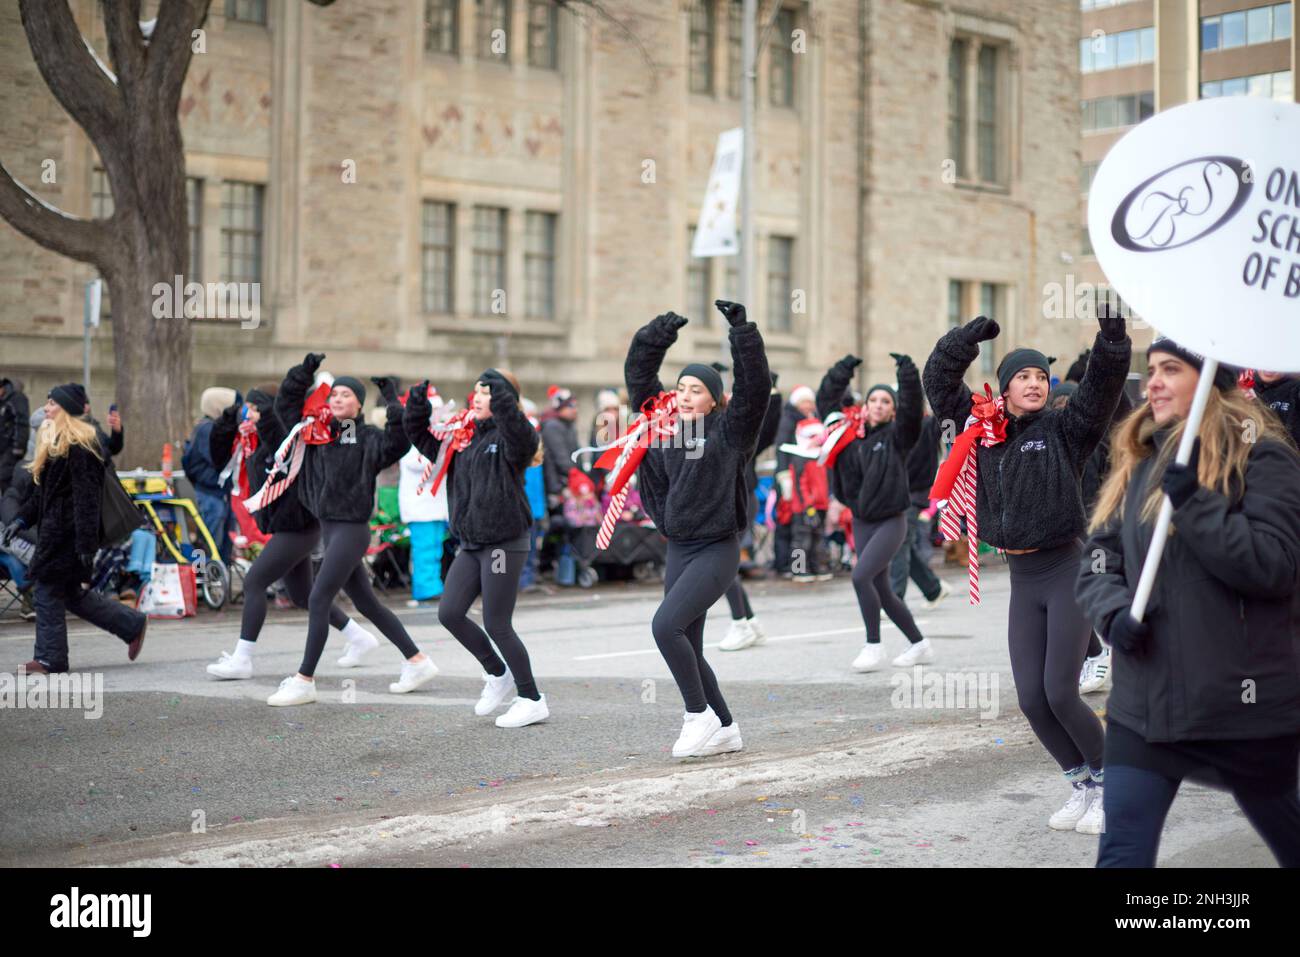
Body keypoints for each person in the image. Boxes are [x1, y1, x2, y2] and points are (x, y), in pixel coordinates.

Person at [1077, 338, 1300, 867]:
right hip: (1143, 707)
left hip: (1238, 705)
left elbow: (1273, 566)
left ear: (1210, 383)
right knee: (1123, 853)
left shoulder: (1264, 456)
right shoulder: (1144, 460)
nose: (1151, 382)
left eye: (1169, 369)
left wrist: (1195, 504)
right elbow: (1099, 560)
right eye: (1150, 369)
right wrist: (1112, 611)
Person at [923, 310, 1130, 834]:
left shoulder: (1065, 430)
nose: (1034, 383)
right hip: (1022, 580)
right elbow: (939, 383)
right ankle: (1083, 787)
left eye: (1040, 376)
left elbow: (1101, 395)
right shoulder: (983, 433)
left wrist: (1111, 341)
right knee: (1032, 701)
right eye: (1023, 376)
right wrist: (966, 340)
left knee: (1061, 692)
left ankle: (1114, 788)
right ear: (1006, 388)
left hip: (1065, 568)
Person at [623, 300, 769, 758]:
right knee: (691, 642)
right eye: (681, 388)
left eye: (696, 390)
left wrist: (742, 332)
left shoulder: (730, 431)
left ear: (713, 399)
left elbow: (756, 389)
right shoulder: (663, 428)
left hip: (717, 549)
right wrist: (657, 336)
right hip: (679, 548)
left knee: (666, 627)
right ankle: (725, 727)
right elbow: (638, 379)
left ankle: (696, 715)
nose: (685, 395)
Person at [265, 356, 436, 706]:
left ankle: (304, 680)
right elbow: (283, 408)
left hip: (352, 530)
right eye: (334, 395)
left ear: (359, 402)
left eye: (346, 394)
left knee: (317, 598)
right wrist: (302, 374)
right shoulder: (315, 434)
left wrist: (391, 400)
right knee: (366, 603)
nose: (338, 399)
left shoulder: (363, 437)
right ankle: (418, 661)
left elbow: (397, 443)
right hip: (331, 529)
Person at [203, 385, 379, 680]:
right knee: (303, 595)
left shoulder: (285, 437)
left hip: (299, 526)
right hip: (289, 527)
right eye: (249, 409)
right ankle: (358, 636)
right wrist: (229, 418)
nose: (251, 414)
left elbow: (276, 434)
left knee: (255, 582)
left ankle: (243, 659)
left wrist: (268, 413)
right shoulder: (255, 439)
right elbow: (218, 455)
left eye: (256, 409)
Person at [405, 368, 549, 728]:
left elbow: (521, 433)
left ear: (503, 399)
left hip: (503, 543)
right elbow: (422, 439)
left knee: (497, 623)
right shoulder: (463, 437)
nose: (478, 397)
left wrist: (500, 392)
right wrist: (417, 406)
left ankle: (532, 698)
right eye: (477, 392)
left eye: (487, 392)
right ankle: (497, 674)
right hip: (471, 542)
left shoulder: (513, 436)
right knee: (449, 613)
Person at [3, 384, 146, 674]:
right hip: (54, 533)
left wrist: (85, 548)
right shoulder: (57, 443)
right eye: (48, 401)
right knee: (69, 595)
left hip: (67, 536)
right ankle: (131, 624)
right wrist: (19, 521)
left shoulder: (84, 447)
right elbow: (40, 497)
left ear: (66, 409)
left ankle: (49, 658)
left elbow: (87, 502)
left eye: (53, 402)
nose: (47, 407)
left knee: (45, 590)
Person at [817, 352, 933, 671]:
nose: (879, 405)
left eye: (886, 401)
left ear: (892, 409)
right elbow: (825, 402)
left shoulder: (898, 437)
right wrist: (844, 369)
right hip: (861, 521)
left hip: (891, 521)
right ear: (865, 406)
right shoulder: (848, 436)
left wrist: (908, 372)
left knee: (860, 576)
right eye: (874, 400)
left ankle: (873, 645)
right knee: (881, 589)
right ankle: (919, 643)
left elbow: (912, 411)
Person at [718, 372, 781, 651]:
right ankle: (748, 621)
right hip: (715, 504)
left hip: (738, 502)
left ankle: (741, 623)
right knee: (721, 567)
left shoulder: (742, 434)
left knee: (721, 566)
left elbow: (769, 429)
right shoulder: (708, 428)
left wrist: (773, 392)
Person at [889, 408, 951, 607]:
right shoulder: (895, 428)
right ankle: (934, 589)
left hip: (914, 496)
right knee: (903, 545)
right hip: (897, 495)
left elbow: (946, 416)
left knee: (899, 545)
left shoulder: (927, 424)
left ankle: (894, 599)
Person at [398, 385, 451, 608]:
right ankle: (425, 588)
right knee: (425, 549)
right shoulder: (413, 435)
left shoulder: (436, 435)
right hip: (421, 506)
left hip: (436, 505)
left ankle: (433, 585)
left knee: (436, 549)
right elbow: (415, 463)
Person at [182, 387, 238, 564]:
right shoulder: (208, 429)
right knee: (209, 539)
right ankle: (203, 576)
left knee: (220, 538)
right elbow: (218, 459)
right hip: (210, 492)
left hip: (217, 492)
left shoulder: (208, 427)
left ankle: (216, 575)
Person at [771, 384, 817, 577]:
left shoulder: (813, 420)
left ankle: (806, 565)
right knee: (790, 526)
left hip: (809, 482)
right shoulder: (789, 420)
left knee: (807, 527)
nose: (808, 406)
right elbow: (781, 449)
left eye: (810, 402)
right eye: (804, 401)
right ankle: (790, 565)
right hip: (792, 481)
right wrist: (784, 478)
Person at [1253, 369, 1300, 451]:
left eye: (1275, 364)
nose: (1268, 368)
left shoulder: (1294, 390)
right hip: (1249, 459)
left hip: (1288, 459)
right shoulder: (1241, 389)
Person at [1, 377, 31, 494]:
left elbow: (21, 422)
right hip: (4, 448)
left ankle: (10, 506)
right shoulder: (4, 401)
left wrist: (18, 447)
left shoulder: (16, 399)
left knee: (5, 478)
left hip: (11, 448)